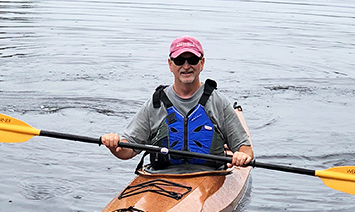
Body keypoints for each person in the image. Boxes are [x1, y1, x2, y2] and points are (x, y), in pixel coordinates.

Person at [100, 37, 253, 169]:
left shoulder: (218, 102)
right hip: (162, 177)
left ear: (202, 63)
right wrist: (114, 145)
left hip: (210, 176)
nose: (186, 66)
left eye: (192, 60)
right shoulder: (155, 104)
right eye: (179, 61)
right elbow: (127, 150)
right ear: (170, 64)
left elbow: (245, 149)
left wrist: (242, 156)